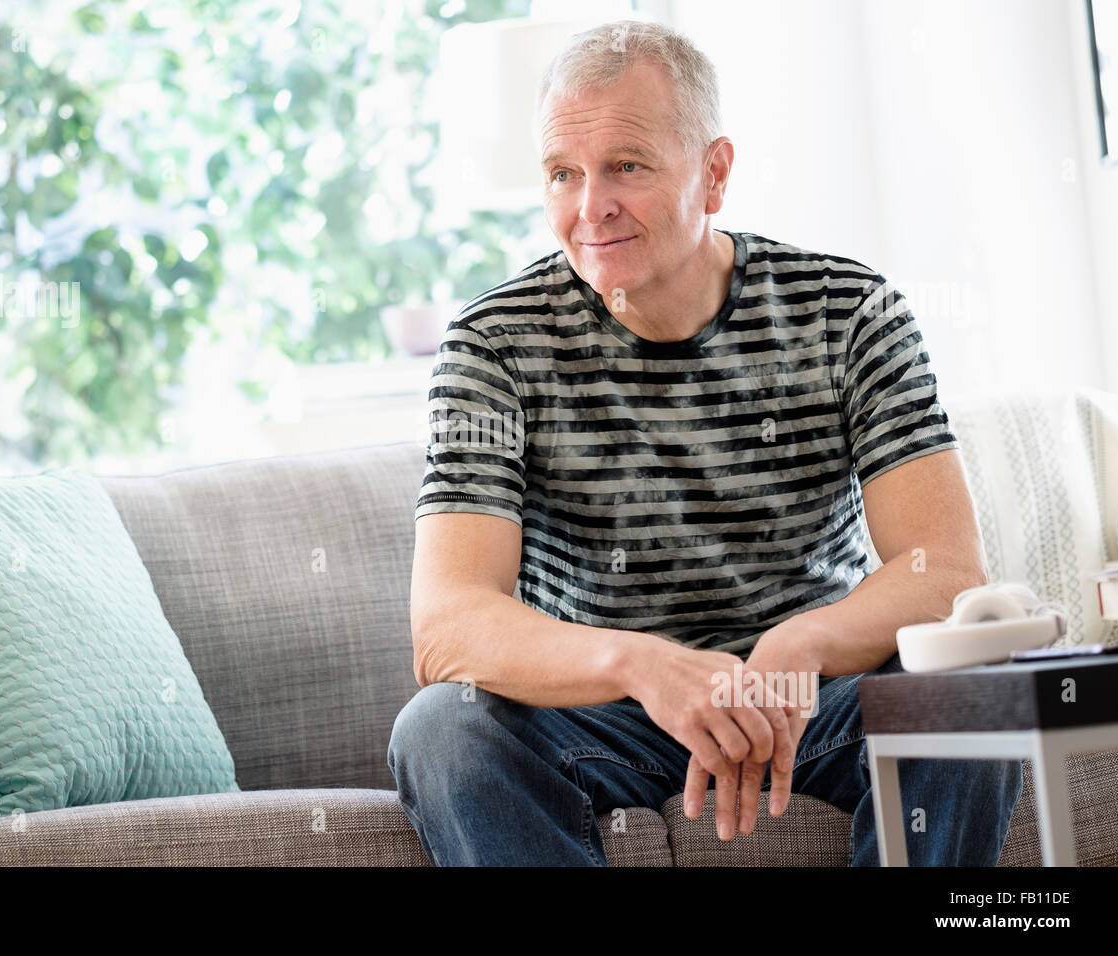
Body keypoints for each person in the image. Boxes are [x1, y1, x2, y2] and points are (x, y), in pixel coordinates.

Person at [387, 18, 1023, 866]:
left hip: (809, 695)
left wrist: (800, 646)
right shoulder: (492, 344)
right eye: (562, 174)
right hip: (607, 712)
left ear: (714, 173)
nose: (589, 207)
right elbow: (449, 626)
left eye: (627, 166)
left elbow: (944, 571)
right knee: (442, 731)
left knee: (973, 692)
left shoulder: (850, 312)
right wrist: (643, 666)